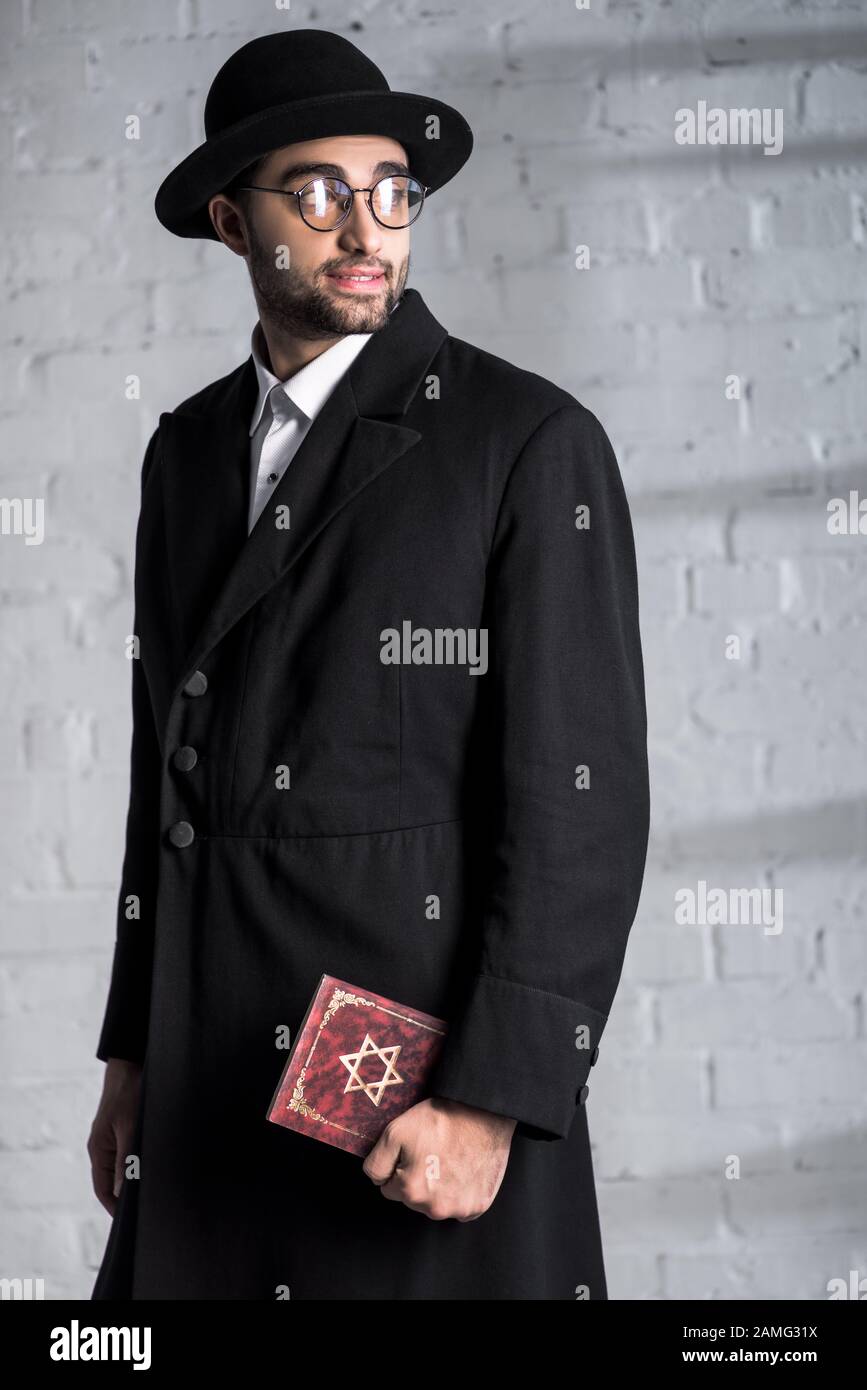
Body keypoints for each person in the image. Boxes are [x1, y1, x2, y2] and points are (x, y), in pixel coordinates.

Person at [88, 28, 650, 1301]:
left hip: (406, 1104)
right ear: (235, 224)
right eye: (320, 192)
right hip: (208, 1069)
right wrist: (134, 1052)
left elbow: (583, 800)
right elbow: (159, 774)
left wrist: (495, 1100)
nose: (366, 225)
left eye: (393, 191)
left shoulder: (527, 442)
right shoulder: (184, 455)